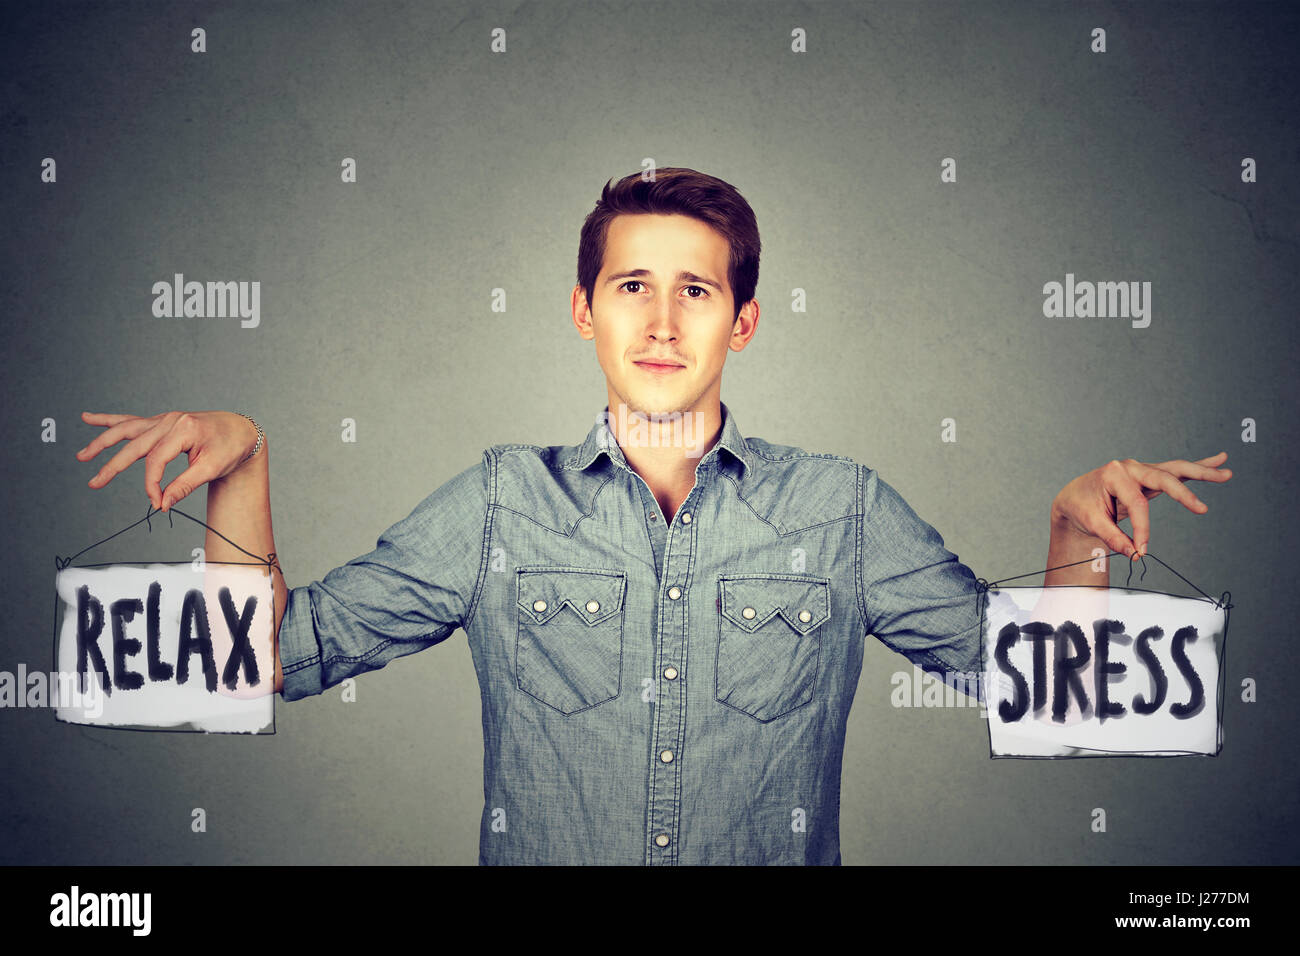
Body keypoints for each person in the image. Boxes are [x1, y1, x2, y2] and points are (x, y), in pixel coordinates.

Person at [75, 167, 1232, 865]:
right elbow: (272, 658)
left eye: (699, 288)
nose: (665, 318)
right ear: (584, 311)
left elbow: (1032, 687)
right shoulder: (497, 501)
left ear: (745, 321)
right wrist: (244, 469)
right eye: (633, 285)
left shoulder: (840, 507)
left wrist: (1075, 537)